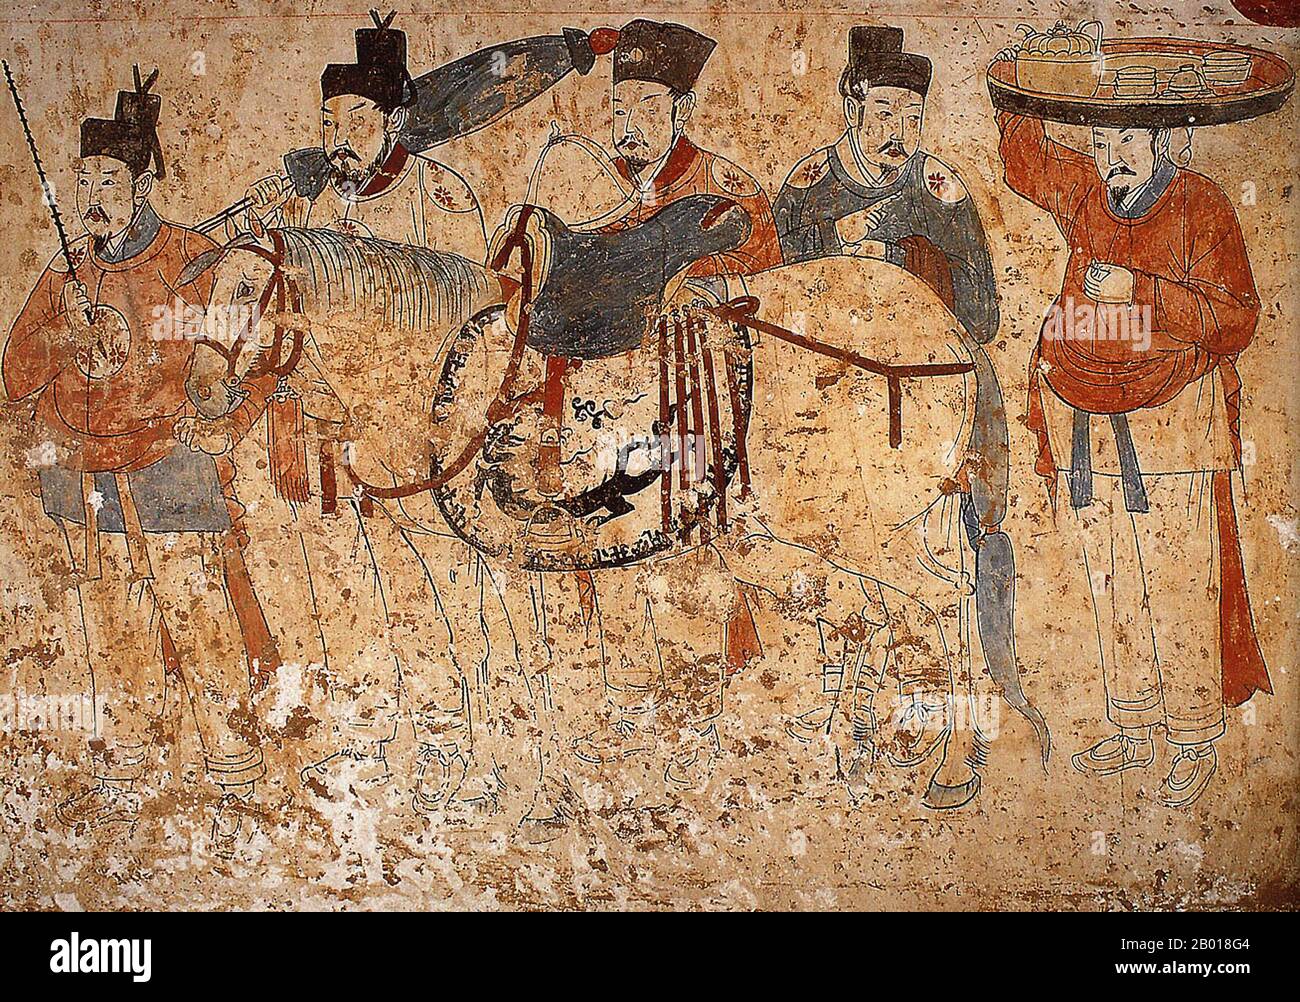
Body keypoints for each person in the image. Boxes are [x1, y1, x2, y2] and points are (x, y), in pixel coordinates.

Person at [2, 67, 276, 856]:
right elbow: (15, 376)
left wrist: (226, 418)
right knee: (113, 623)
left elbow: (245, 356)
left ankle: (232, 770)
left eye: (107, 178)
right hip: (83, 475)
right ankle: (130, 776)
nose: (91, 191)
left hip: (168, 462)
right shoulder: (65, 273)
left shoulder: (190, 258)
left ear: (140, 182)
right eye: (81, 177)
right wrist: (63, 335)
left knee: (197, 617)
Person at [995, 60, 1271, 807]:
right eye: (1104, 138)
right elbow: (1025, 164)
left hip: (1173, 421)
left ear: (1166, 140)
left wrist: (1140, 290)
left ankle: (1189, 732)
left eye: (1129, 140)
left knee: (1178, 582)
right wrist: (1017, 75)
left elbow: (1237, 317)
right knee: (1112, 578)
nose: (1112, 154)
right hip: (1087, 410)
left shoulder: (1199, 205)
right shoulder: (1088, 190)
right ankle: (1135, 721)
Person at [772, 26, 1011, 794]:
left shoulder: (941, 194)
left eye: (910, 118)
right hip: (831, 417)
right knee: (839, 570)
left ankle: (957, 743)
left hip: (926, 411)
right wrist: (837, 268)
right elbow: (779, 310)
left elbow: (981, 310)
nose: (896, 135)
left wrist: (903, 266)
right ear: (849, 104)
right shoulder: (807, 191)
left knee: (940, 576)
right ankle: (858, 733)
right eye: (881, 114)